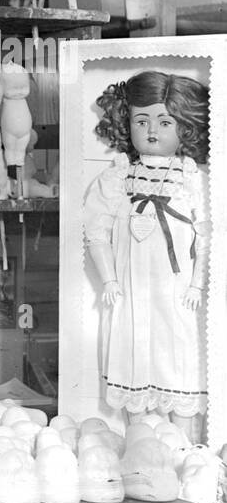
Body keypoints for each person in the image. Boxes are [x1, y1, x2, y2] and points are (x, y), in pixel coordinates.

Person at [85, 70, 210, 433]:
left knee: (179, 353)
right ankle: (141, 441)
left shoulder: (192, 179)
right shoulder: (118, 177)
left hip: (176, 292)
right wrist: (108, 279)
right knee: (132, 352)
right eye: (142, 120)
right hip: (130, 290)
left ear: (184, 127)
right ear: (126, 123)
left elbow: (205, 237)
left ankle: (186, 444)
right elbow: (97, 232)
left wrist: (196, 285)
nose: (152, 130)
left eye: (164, 121)